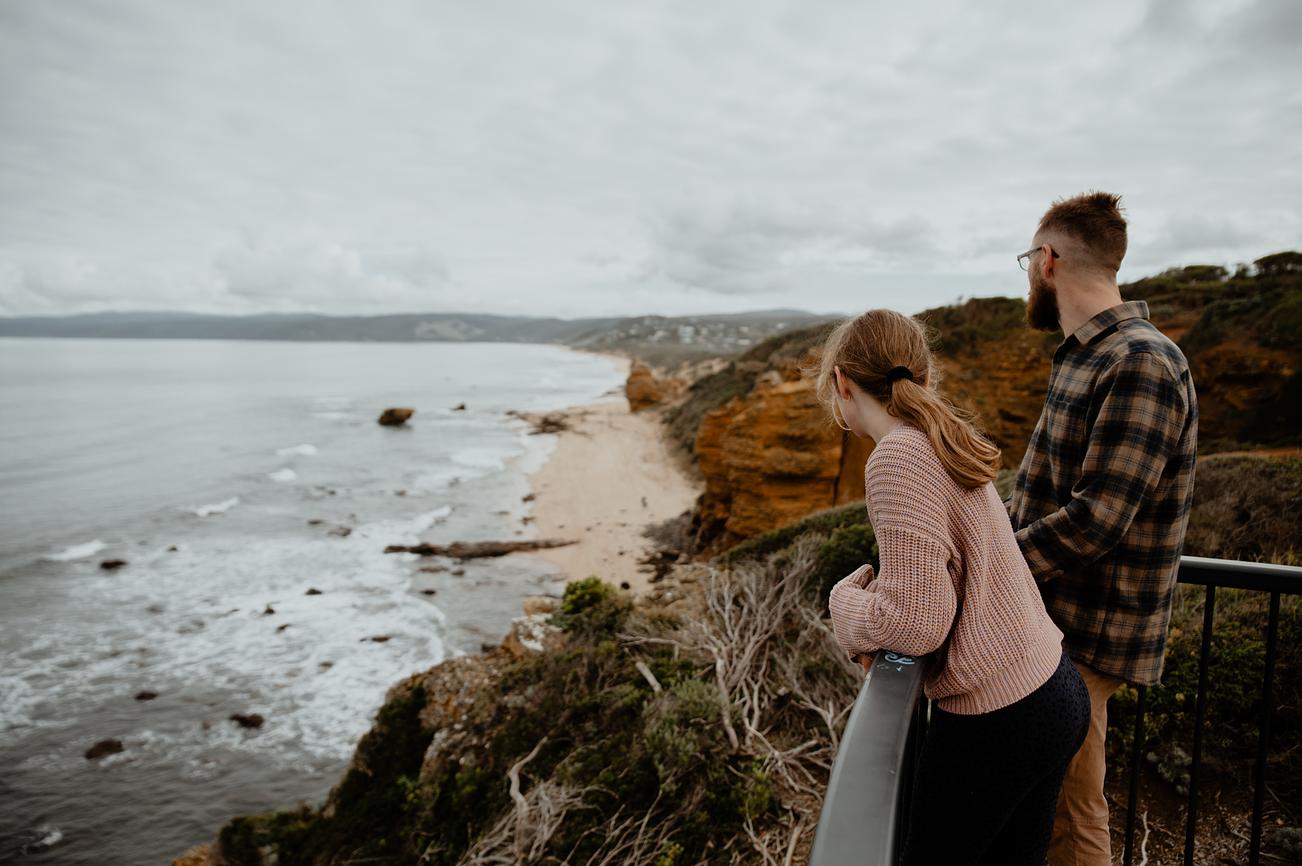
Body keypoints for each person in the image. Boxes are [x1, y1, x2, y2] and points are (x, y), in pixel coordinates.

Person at [819, 309, 1090, 866]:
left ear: (843, 382)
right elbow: (937, 577)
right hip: (1051, 685)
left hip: (1001, 716)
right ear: (922, 374)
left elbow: (916, 623)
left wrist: (844, 603)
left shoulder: (897, 458)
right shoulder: (935, 438)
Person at [1008, 191, 1198, 866]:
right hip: (1055, 624)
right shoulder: (1088, 354)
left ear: (1048, 260)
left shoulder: (1139, 360)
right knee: (1058, 802)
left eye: (1027, 260)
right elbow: (1046, 491)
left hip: (1087, 632)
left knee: (1069, 810)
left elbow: (1096, 521)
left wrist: (985, 563)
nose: (1028, 276)